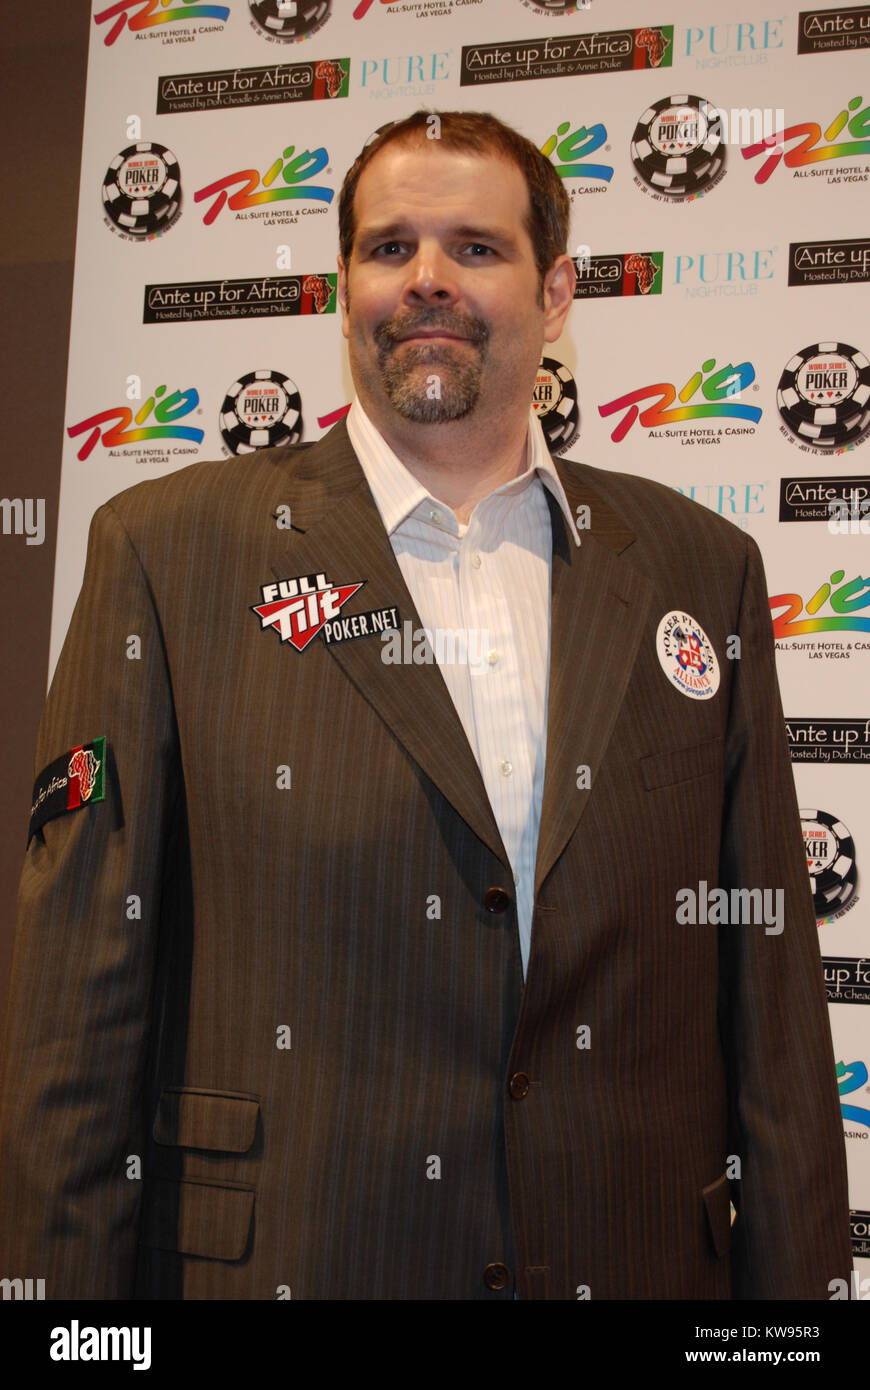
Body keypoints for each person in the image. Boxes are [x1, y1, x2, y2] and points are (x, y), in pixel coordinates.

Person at [0, 110, 851, 1301]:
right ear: (342, 287)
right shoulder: (168, 551)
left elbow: (772, 1009)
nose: (429, 281)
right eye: (390, 247)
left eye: (477, 248)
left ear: (555, 290)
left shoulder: (699, 567)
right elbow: (75, 1014)